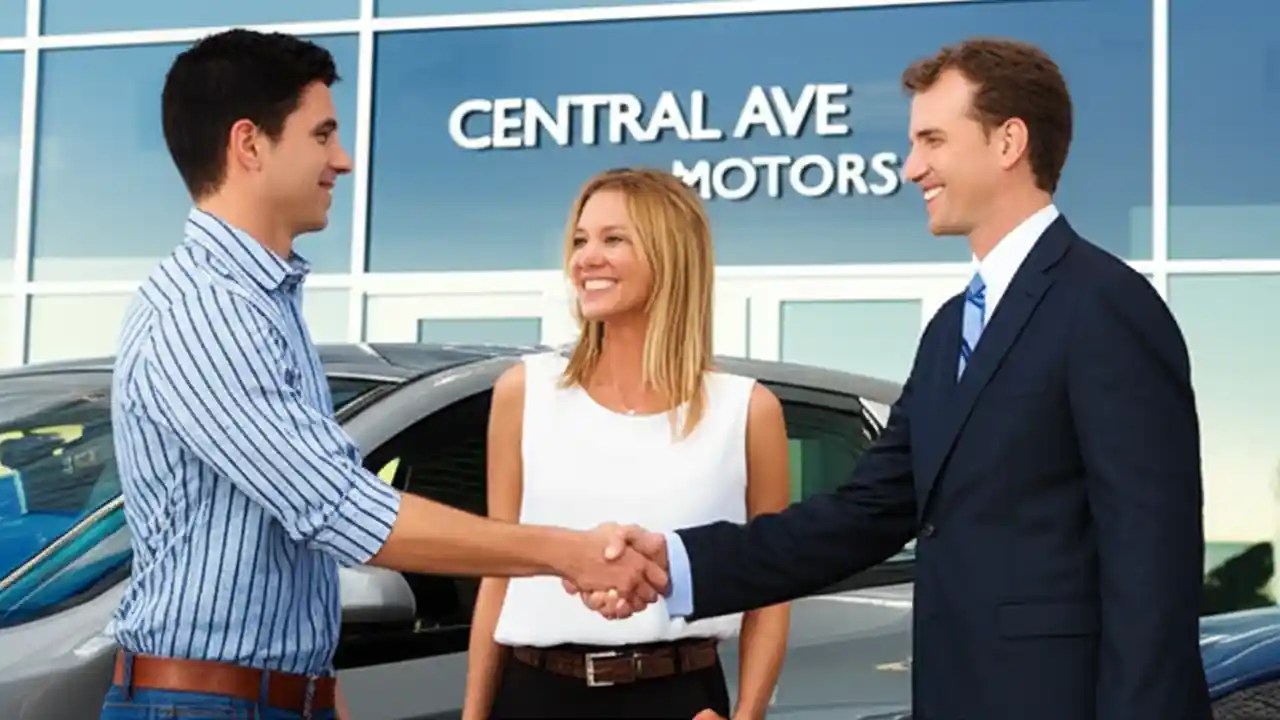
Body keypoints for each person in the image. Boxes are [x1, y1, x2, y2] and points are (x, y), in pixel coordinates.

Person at [574, 38, 1212, 720]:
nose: (912, 169)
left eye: (933, 140)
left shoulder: (1105, 306)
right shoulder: (949, 332)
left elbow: (1152, 564)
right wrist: (676, 562)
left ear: (1009, 142)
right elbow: (861, 514)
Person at [100, 30, 664, 720]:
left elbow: (290, 531)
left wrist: (313, 692)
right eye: (322, 135)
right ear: (250, 145)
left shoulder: (258, 304)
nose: (343, 160)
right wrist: (568, 554)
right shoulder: (205, 311)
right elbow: (337, 507)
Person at [461, 168, 792, 720]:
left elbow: (771, 592)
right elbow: (500, 572)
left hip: (679, 697)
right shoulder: (525, 392)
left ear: (669, 255)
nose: (586, 258)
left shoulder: (748, 411)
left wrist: (747, 717)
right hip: (532, 696)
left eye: (613, 239)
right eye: (580, 240)